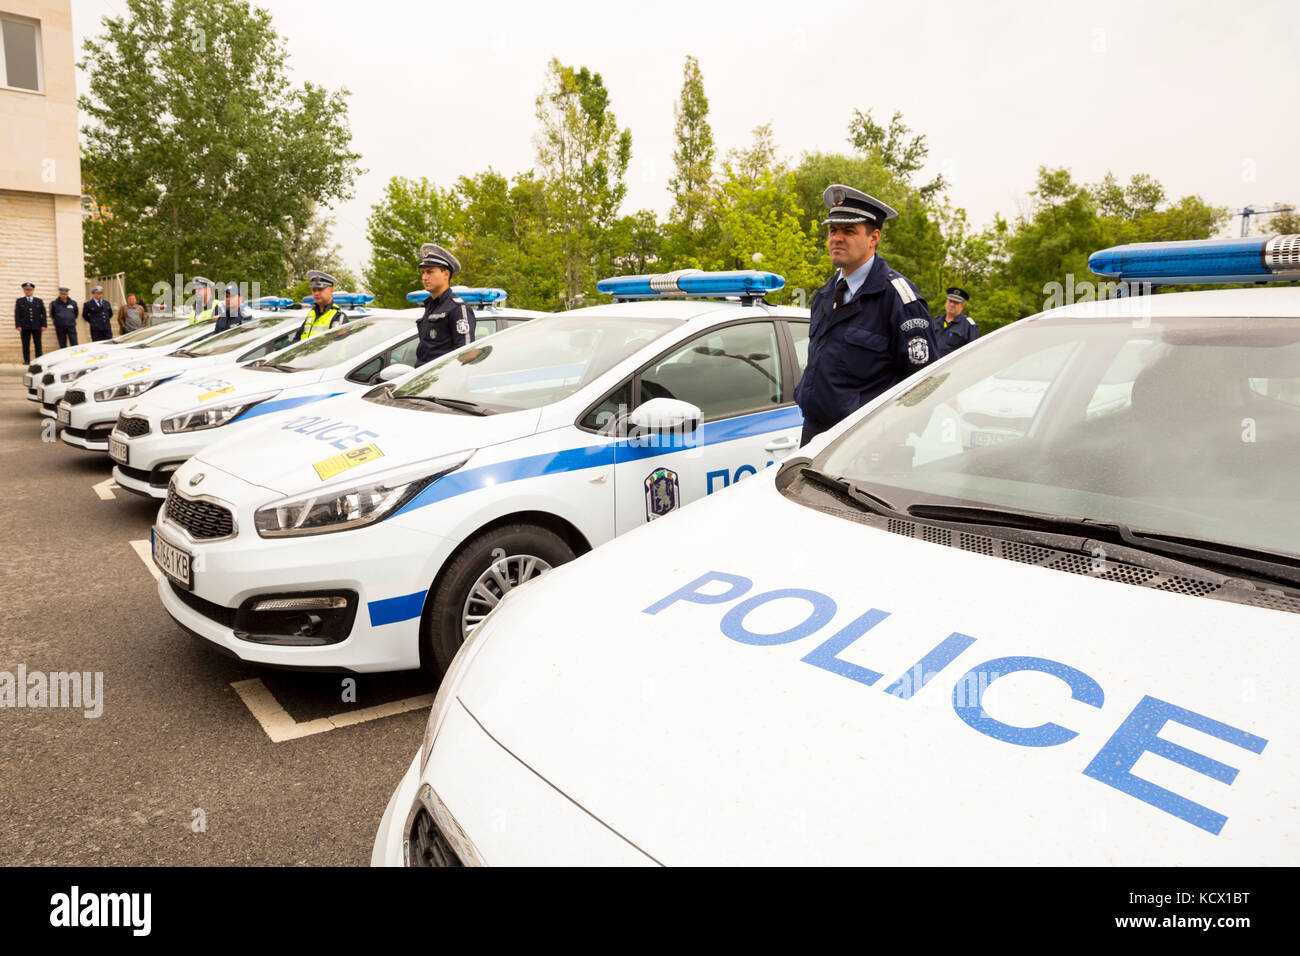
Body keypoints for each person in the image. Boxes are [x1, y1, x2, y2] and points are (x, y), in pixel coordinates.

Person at [795, 184, 939, 446]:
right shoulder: (825, 294)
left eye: (849, 230)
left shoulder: (898, 299)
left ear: (874, 238)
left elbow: (924, 383)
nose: (837, 237)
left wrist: (890, 439)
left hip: (867, 446)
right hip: (816, 436)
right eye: (833, 230)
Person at [414, 242, 474, 366]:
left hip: (443, 380)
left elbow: (465, 354)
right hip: (423, 378)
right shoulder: (430, 305)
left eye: (430, 272)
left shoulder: (458, 308)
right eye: (423, 272)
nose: (424, 277)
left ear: (446, 274)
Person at [293, 271, 348, 341]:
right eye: (314, 290)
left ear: (331, 290)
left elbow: (334, 348)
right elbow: (297, 339)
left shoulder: (339, 317)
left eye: (320, 289)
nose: (316, 293)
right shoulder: (312, 313)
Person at [931, 287, 979, 358]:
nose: (952, 304)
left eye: (956, 302)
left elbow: (974, 351)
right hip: (933, 365)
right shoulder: (936, 321)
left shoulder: (968, 325)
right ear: (946, 302)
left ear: (962, 306)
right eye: (950, 301)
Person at [14, 282, 46, 364]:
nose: (28, 291)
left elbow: (43, 314)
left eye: (29, 290)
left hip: (37, 326)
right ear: (24, 291)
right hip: (24, 327)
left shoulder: (39, 301)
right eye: (26, 290)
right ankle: (26, 360)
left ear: (33, 290)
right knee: (25, 344)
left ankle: (38, 360)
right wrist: (18, 325)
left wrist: (44, 325)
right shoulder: (19, 301)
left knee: (38, 344)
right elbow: (17, 314)